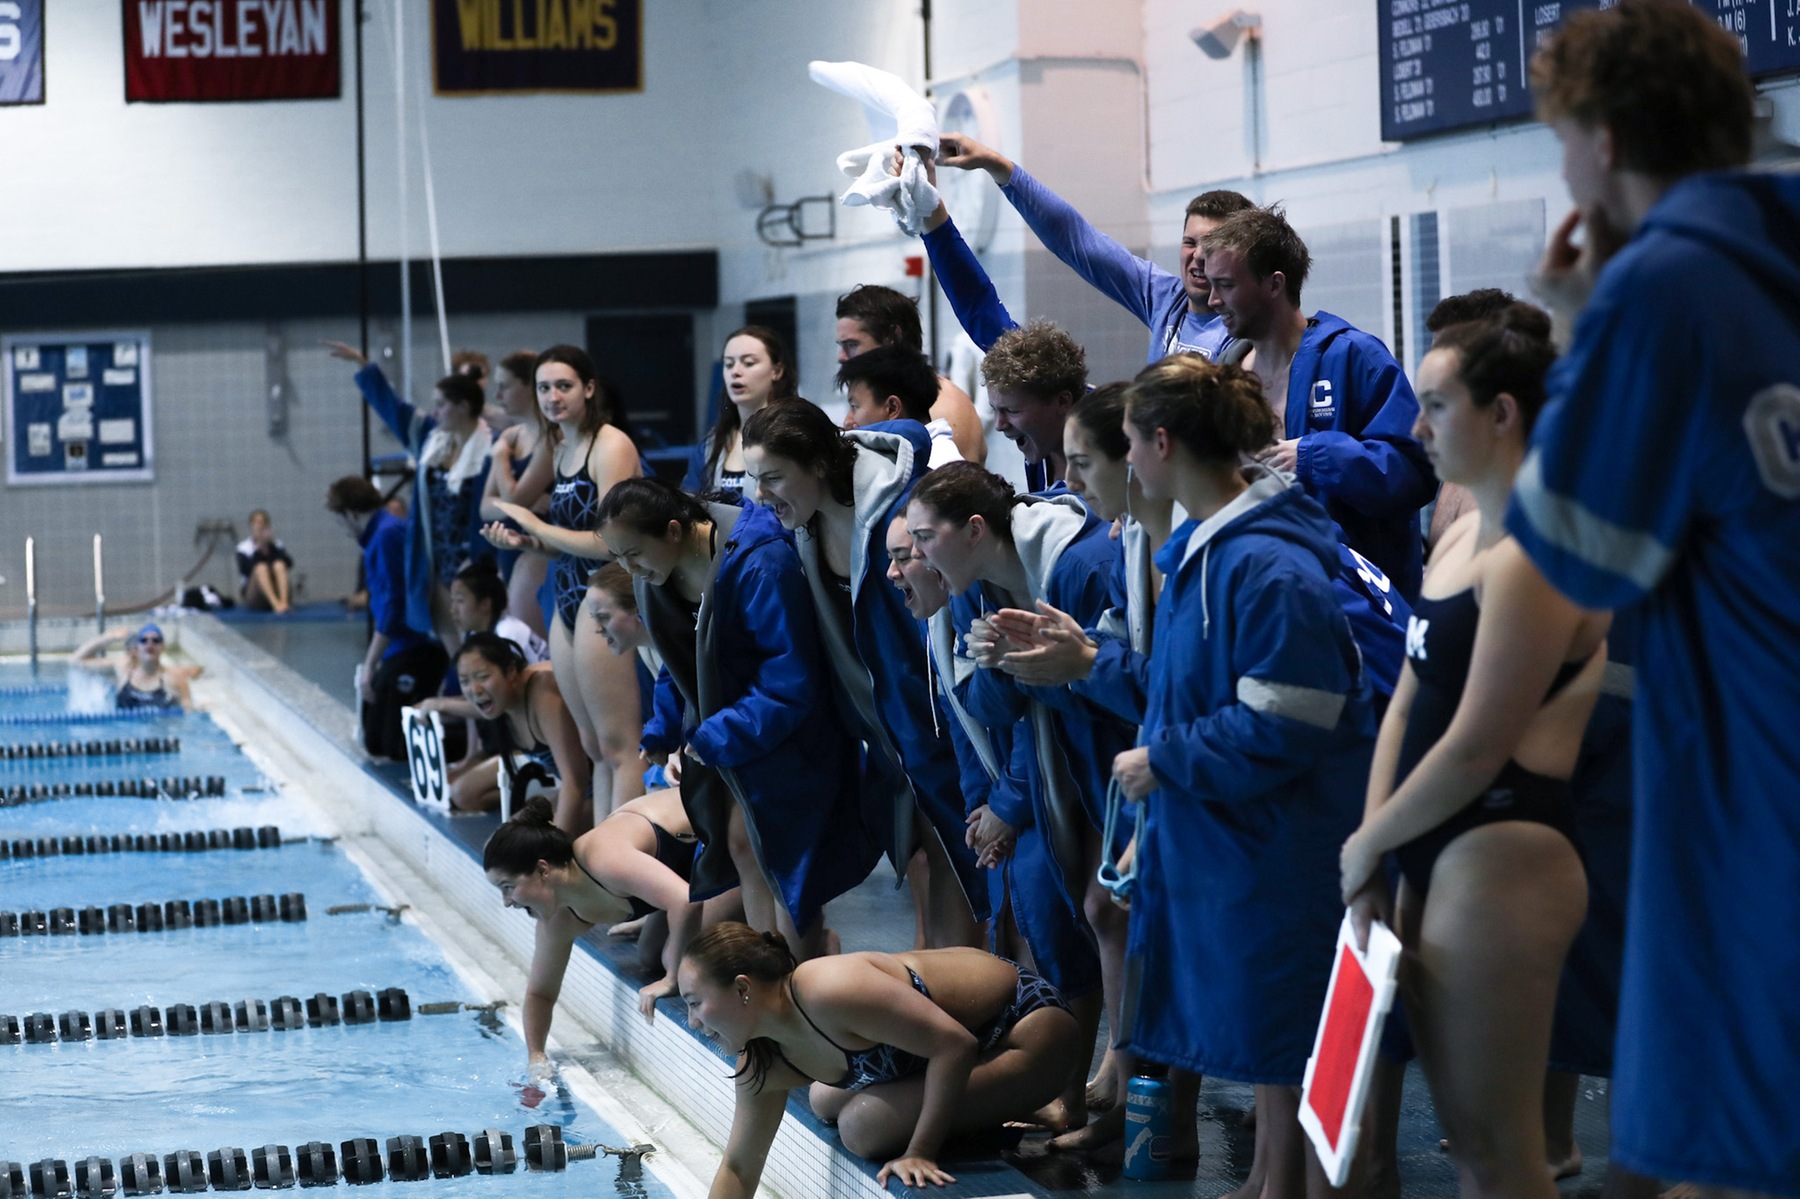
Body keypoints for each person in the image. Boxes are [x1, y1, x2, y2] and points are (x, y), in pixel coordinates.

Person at [1508, 5, 1798, 1193]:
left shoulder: (1663, 287)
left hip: (1756, 769)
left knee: (1741, 1134)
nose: (1567, 166)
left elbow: (1575, 559)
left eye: (1566, 139)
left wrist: (1578, 329)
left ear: (1609, 143)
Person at [1340, 306, 1607, 1199]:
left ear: (1502, 413)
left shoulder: (1540, 553)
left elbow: (1478, 744)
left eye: (1435, 405)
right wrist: (1377, 844)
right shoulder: (1458, 535)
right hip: (1430, 851)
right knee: (1465, 1142)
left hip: (1503, 855)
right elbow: (1408, 701)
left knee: (1500, 1149)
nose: (1416, 429)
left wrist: (1367, 843)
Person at [1113, 355, 1374, 1198]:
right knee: (1269, 1037)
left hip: (1282, 846)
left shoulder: (1263, 565)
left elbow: (1292, 715)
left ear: (1163, 441)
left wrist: (1167, 759)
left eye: (1126, 442)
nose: (1124, 464)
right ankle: (1268, 1181)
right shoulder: (1209, 552)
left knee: (1293, 1031)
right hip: (1238, 841)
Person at [906, 462, 1134, 1140]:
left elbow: (1096, 691)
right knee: (1076, 914)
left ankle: (1133, 1088)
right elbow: (993, 710)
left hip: (1107, 769)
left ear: (974, 529)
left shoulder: (1078, 566)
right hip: (1057, 774)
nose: (912, 561)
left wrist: (1008, 800)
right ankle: (1107, 1082)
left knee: (1107, 916)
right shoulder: (973, 595)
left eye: (920, 541)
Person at [595, 476, 877, 958]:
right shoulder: (657, 577)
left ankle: (798, 989)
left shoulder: (760, 561)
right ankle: (770, 972)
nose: (630, 569)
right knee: (743, 848)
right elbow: (681, 664)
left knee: (788, 865)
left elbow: (791, 680)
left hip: (791, 733)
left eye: (634, 554)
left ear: (674, 531)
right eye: (618, 558)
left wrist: (711, 737)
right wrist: (667, 728)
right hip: (733, 734)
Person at [739, 402, 985, 950]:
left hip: (951, 723)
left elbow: (954, 613)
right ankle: (963, 1002)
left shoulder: (901, 510)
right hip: (895, 733)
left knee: (982, 873)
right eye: (756, 479)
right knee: (933, 859)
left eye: (773, 477)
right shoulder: (805, 523)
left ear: (819, 465)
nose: (761, 495)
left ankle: (1009, 1007)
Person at [678, 922, 1080, 1194]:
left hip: (1027, 1028)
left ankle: (1024, 1099)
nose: (694, 1022)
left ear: (742, 989)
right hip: (960, 1047)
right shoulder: (762, 1063)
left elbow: (954, 1045)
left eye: (696, 1003)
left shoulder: (829, 990)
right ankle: (1011, 1105)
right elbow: (739, 1167)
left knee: (862, 1126)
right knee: (824, 1098)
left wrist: (920, 1150)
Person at [1198, 208, 1435, 598]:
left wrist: (1316, 456)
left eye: (1225, 285)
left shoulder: (1354, 358)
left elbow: (1417, 471)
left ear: (1274, 284)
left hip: (1356, 608)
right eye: (1211, 285)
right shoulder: (1222, 376)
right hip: (1261, 592)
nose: (1213, 300)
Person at [484, 345, 645, 815]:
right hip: (567, 599)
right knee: (593, 746)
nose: (553, 397)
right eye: (543, 388)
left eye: (564, 386)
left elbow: (610, 542)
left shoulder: (610, 445)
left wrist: (535, 526)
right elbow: (542, 523)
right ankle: (603, 860)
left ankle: (626, 857)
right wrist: (527, 544)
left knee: (620, 745)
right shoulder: (561, 446)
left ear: (589, 389)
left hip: (608, 600)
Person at [934, 134, 1254, 364]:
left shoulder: (1250, 327)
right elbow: (1074, 239)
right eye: (1190, 242)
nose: (1198, 256)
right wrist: (997, 165)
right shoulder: (1167, 299)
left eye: (1212, 246)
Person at [484, 791, 706, 1068]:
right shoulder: (558, 920)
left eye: (508, 887)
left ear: (542, 870)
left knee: (678, 964)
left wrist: (673, 978)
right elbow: (540, 993)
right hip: (695, 873)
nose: (507, 902)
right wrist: (536, 1058)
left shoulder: (602, 858)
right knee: (650, 953)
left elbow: (686, 902)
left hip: (725, 822)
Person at [326, 341, 495, 647]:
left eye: (442, 404)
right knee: (456, 650)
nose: (434, 411)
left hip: (478, 563)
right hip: (439, 564)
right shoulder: (431, 440)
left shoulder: (493, 449)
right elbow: (394, 410)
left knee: (485, 644)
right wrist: (364, 367)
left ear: (463, 407)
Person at [328, 475, 448, 761]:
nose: (342, 529)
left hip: (419, 647)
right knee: (375, 740)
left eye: (340, 521)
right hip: (401, 647)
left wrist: (370, 663)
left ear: (351, 514)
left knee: (393, 745)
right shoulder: (378, 535)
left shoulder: (386, 535)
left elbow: (395, 605)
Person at [413, 561, 549, 814]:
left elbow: (496, 699)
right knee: (448, 785)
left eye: (460, 601)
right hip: (509, 736)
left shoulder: (507, 634)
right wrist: (469, 755)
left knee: (463, 795)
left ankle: (536, 799)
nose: (452, 610)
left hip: (534, 741)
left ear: (485, 604)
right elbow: (483, 702)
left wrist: (441, 704)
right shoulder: (477, 639)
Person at [452, 632, 593, 834]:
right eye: (464, 681)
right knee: (505, 837)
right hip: (578, 791)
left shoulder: (543, 694)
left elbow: (576, 780)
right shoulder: (501, 702)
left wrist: (556, 851)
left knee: (521, 844)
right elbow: (472, 708)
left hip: (602, 793)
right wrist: (436, 704)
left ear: (510, 671)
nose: (474, 690)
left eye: (482, 677)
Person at [834, 284, 985, 463]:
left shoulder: (940, 407)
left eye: (851, 345)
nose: (841, 357)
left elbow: (950, 486)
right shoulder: (904, 402)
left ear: (892, 338)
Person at [480, 349, 552, 640]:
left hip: (541, 554)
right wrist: (527, 504)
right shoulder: (513, 436)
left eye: (505, 386)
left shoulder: (551, 438)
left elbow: (511, 500)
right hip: (509, 552)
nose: (498, 396)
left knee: (536, 648)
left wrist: (500, 457)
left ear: (530, 385)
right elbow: (485, 508)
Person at [683, 327, 802, 499]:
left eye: (749, 363)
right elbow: (689, 506)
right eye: (729, 364)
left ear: (776, 371)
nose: (736, 372)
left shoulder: (795, 435)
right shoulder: (710, 446)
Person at [979, 321, 1087, 490]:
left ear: (1062, 402)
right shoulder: (1042, 447)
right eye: (994, 409)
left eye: (1012, 411)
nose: (999, 425)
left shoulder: (1115, 459)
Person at [836, 344, 960, 467]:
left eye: (854, 406)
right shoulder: (901, 460)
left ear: (892, 408)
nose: (847, 421)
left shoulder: (941, 471)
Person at [72, 624, 202, 712]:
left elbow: (188, 712)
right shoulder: (123, 670)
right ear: (136, 648)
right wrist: (111, 637)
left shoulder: (174, 678)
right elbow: (76, 661)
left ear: (162, 647)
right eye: (144, 640)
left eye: (155, 640)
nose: (149, 644)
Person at [235, 510, 294, 614]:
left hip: (277, 590)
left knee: (279, 564)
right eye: (257, 523)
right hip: (255, 595)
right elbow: (245, 571)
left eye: (263, 523)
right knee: (261, 568)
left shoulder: (277, 545)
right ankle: (276, 604)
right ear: (251, 525)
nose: (261, 526)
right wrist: (259, 548)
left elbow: (289, 564)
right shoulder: (243, 548)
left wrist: (270, 546)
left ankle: (284, 603)